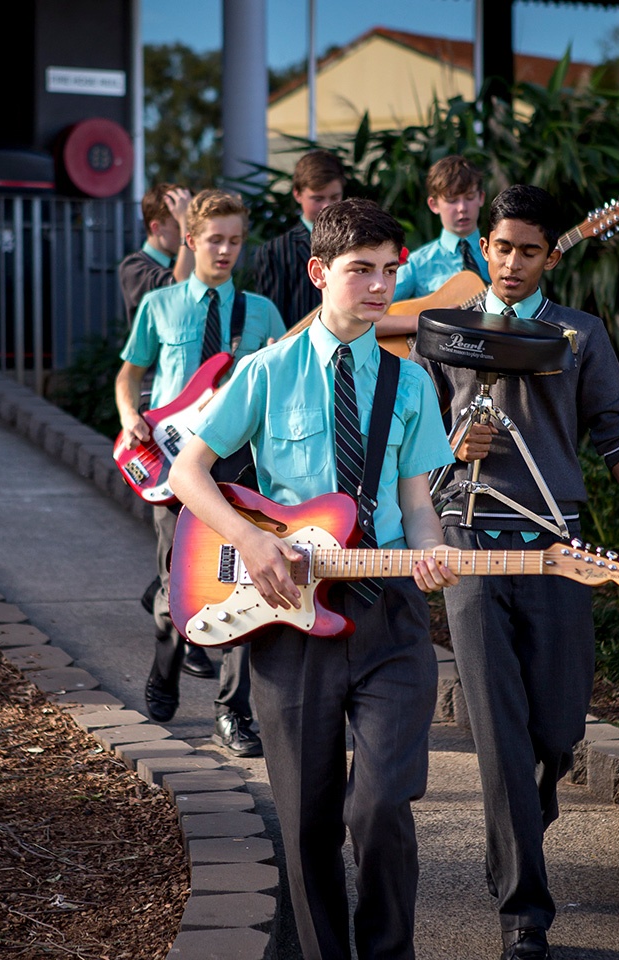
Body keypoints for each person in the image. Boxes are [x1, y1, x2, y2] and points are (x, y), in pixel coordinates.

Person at [169, 197, 460, 960]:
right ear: (319, 272)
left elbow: (417, 505)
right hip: (288, 615)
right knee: (306, 821)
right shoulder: (267, 371)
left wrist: (431, 553)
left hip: (389, 612)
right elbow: (188, 472)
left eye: (390, 270)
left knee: (383, 805)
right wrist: (248, 541)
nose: (380, 285)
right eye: (362, 269)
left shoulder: (410, 383)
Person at [409, 184, 619, 960]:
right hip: (470, 541)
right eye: (501, 248)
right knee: (499, 735)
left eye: (528, 251)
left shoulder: (579, 335)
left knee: (558, 732)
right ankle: (524, 915)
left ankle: (525, 819)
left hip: (558, 548)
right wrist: (449, 449)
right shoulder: (448, 334)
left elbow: (617, 440)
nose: (511, 263)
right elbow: (413, 441)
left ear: (550, 257)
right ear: (484, 248)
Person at [115, 188, 285, 756]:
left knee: (244, 583)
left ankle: (232, 712)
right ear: (190, 240)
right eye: (215, 240)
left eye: (235, 240)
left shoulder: (261, 312)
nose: (226, 250)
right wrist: (130, 416)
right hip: (172, 463)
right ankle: (165, 663)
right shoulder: (159, 305)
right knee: (175, 589)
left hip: (241, 465)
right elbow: (128, 374)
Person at [117, 181, 212, 679]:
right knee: (172, 536)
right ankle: (176, 626)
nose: (194, 238)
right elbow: (176, 285)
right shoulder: (136, 267)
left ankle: (168, 598)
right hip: (162, 422)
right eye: (184, 227)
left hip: (200, 418)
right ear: (160, 228)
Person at [377, 154, 490, 341]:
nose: (462, 208)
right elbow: (362, 319)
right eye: (452, 200)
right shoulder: (417, 263)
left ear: (481, 198)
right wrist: (423, 322)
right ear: (433, 204)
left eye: (470, 197)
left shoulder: (500, 258)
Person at [252, 149, 346, 328]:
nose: (327, 206)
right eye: (317, 199)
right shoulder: (275, 252)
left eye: (335, 197)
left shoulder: (356, 242)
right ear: (297, 194)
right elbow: (273, 320)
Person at [118, 182, 195, 327]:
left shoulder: (190, 260)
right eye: (180, 226)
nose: (192, 235)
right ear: (156, 228)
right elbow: (180, 288)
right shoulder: (133, 267)